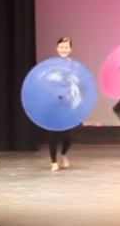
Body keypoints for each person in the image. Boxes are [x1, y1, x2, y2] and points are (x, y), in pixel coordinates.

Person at [48, 36, 76, 171]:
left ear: (70, 49)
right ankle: (53, 161)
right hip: (54, 103)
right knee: (53, 134)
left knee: (68, 135)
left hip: (68, 104)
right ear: (57, 48)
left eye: (66, 47)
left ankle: (63, 154)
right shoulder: (51, 65)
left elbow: (77, 84)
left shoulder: (74, 66)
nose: (63, 49)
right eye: (61, 47)